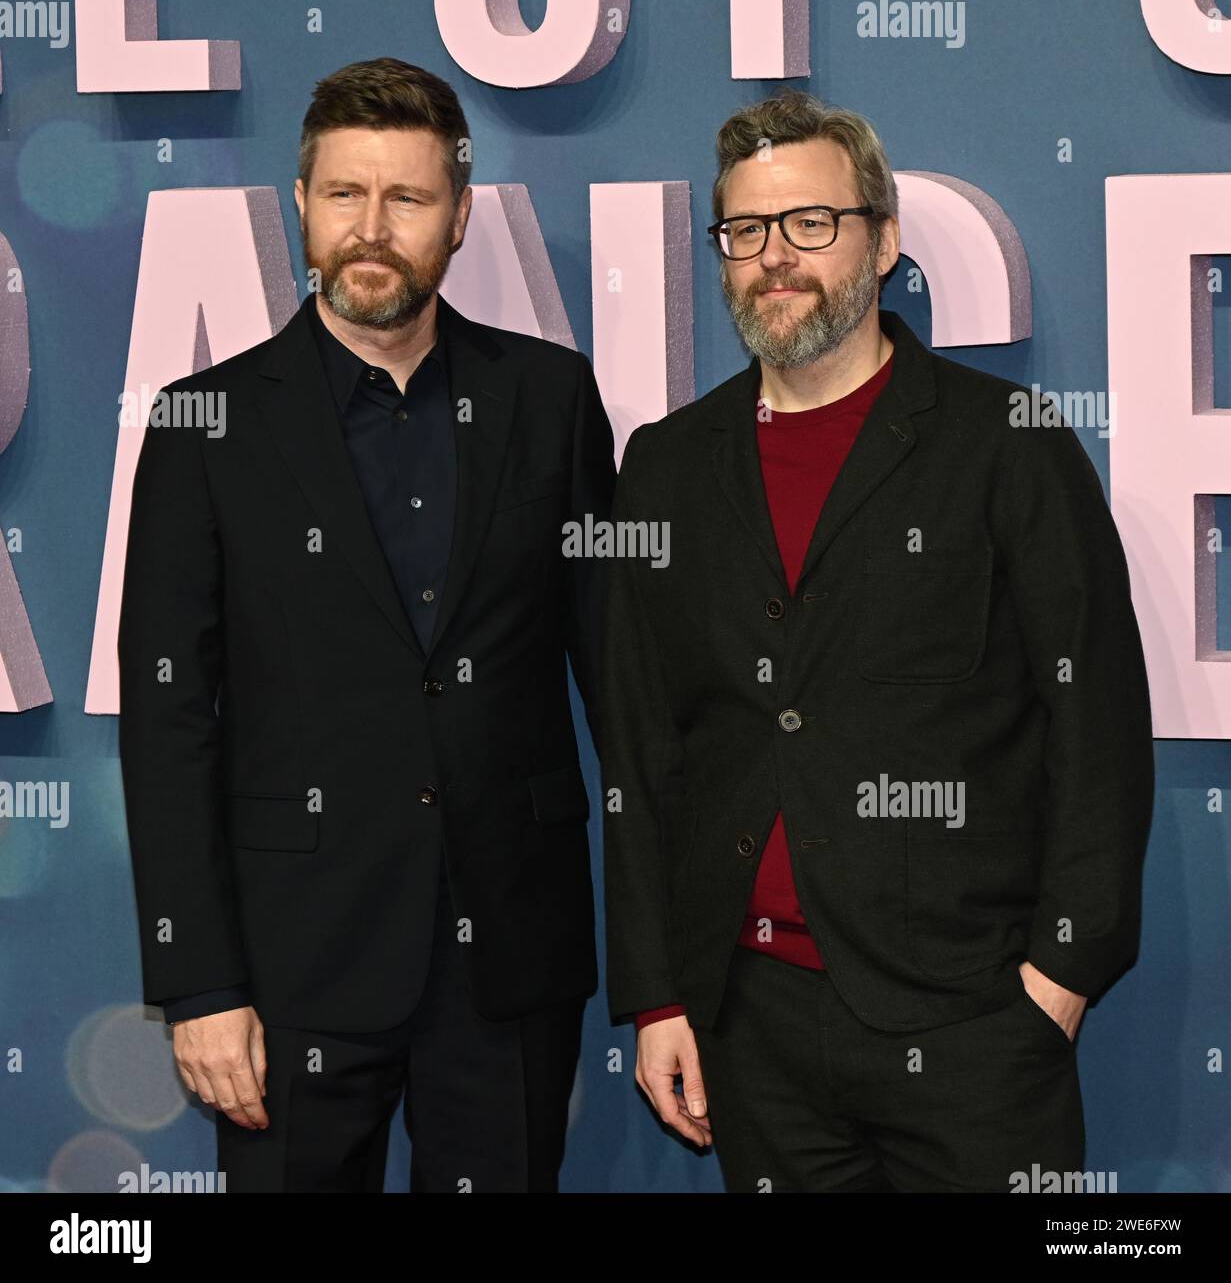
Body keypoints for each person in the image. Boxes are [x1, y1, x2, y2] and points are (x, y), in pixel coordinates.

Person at [601, 89, 1154, 1192]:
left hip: (974, 1019)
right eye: (745, 230)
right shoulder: (664, 468)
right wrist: (658, 993)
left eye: (811, 223)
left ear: (884, 238)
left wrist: (1055, 983)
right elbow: (641, 749)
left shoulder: (1008, 446)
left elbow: (1097, 731)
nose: (775, 257)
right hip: (750, 1024)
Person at [118, 57, 614, 1192]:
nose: (372, 228)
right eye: (345, 194)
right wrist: (198, 984)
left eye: (408, 198)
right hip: (289, 973)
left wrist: (658, 972)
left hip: (509, 965)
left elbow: (622, 692)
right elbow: (167, 719)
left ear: (459, 217)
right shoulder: (206, 425)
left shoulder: (550, 400)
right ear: (300, 203)